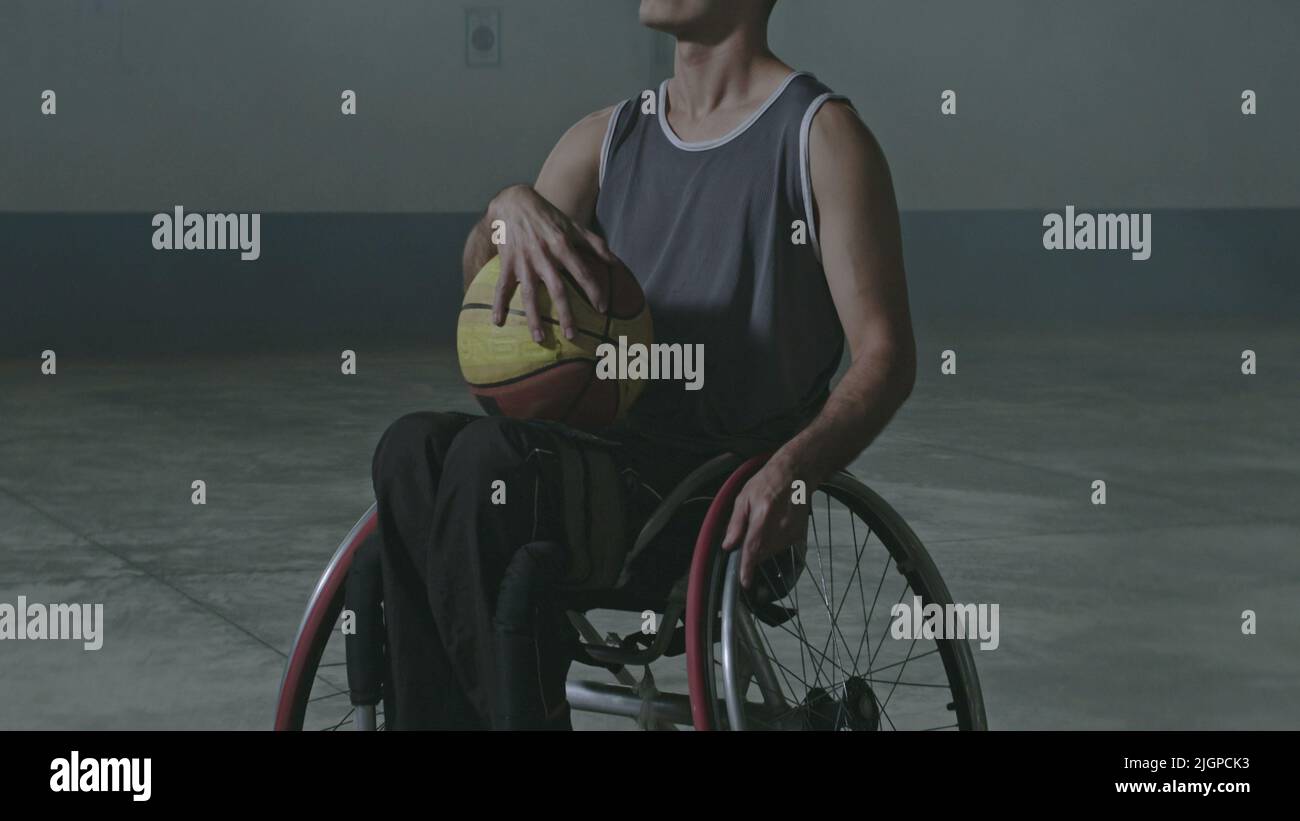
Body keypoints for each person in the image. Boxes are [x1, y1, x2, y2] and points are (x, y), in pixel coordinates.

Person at [371, 0, 916, 730]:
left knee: (486, 467)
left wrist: (796, 468)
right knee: (409, 451)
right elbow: (490, 288)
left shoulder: (820, 138)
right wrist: (507, 210)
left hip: (711, 491)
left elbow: (887, 355)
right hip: (594, 462)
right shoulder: (604, 139)